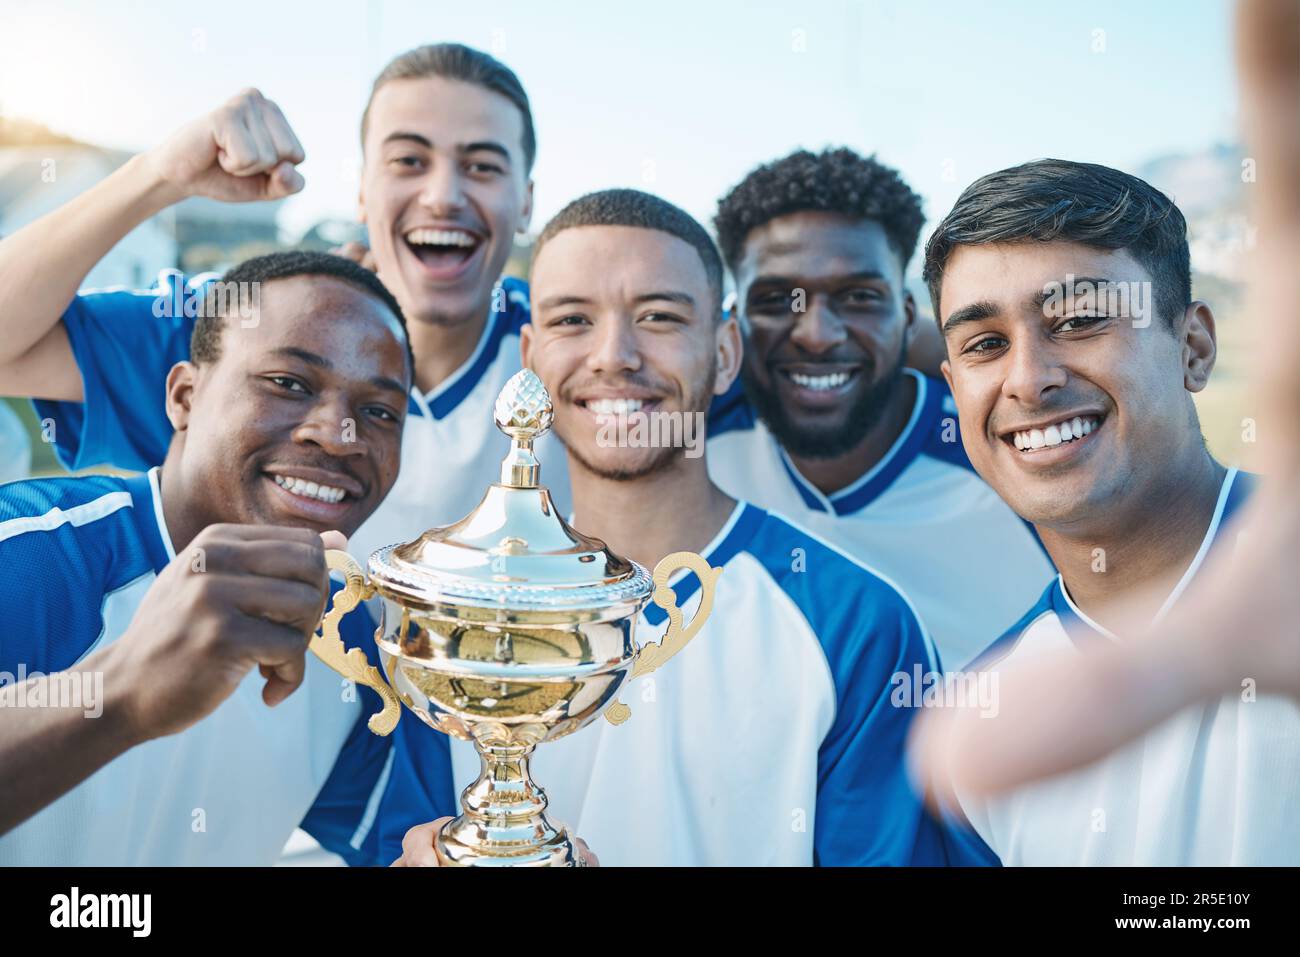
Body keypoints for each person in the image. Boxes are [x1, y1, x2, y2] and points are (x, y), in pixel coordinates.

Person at [384, 189, 992, 866]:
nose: (613, 355)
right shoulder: (451, 609)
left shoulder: (855, 621)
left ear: (726, 350)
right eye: (572, 320)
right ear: (530, 358)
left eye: (659, 316)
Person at [912, 0, 1300, 835]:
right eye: (983, 343)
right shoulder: (994, 711)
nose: (1030, 378)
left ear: (1194, 347)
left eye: (1082, 318)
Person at [0, 43, 561, 565]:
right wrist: (157, 177)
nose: (442, 196)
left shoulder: (573, 356)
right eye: (409, 161)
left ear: (527, 200)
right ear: (362, 191)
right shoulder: (249, 328)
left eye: (483, 166)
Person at [0, 251, 425, 865]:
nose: (338, 435)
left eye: (379, 412)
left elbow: (401, 846)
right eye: (289, 384)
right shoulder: (30, 554)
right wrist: (119, 693)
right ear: (184, 397)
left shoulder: (347, 632)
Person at [708, 149, 1053, 669]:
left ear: (908, 316)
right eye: (778, 300)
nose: (818, 336)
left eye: (859, 297)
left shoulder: (1017, 456)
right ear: (733, 323)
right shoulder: (684, 439)